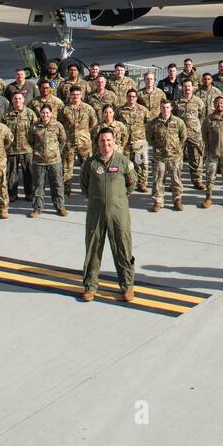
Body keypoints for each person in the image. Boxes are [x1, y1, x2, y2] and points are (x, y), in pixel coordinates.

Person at [79, 127, 137, 302]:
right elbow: (84, 186)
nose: (106, 144)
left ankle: (127, 286)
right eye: (102, 141)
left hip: (119, 213)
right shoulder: (91, 163)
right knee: (93, 248)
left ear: (114, 141)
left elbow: (131, 184)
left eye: (109, 140)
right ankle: (90, 286)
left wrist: (116, 199)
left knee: (122, 248)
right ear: (98, 143)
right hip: (95, 211)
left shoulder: (123, 162)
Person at [146, 101, 187, 211]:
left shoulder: (179, 122)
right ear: (160, 108)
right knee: (158, 180)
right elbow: (149, 138)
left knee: (176, 179)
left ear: (171, 108)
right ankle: (158, 202)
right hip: (159, 157)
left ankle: (177, 200)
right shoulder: (154, 123)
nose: (165, 110)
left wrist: (176, 148)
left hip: (175, 157)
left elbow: (183, 137)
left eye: (167, 107)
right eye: (163, 107)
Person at [28, 104, 67, 217]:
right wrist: (37, 151)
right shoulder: (35, 126)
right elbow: (30, 140)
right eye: (43, 112)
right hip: (38, 161)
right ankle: (37, 208)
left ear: (51, 113)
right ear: (40, 113)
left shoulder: (57, 125)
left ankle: (60, 207)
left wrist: (56, 151)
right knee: (38, 186)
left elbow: (63, 140)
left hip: (54, 160)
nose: (45, 115)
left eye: (47, 113)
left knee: (57, 184)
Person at [59, 87, 97, 195]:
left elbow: (93, 124)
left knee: (86, 166)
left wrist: (84, 134)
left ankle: (87, 188)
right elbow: (60, 124)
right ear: (70, 95)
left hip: (84, 142)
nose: (75, 96)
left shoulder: (88, 109)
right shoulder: (64, 109)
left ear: (81, 95)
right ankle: (67, 189)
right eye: (73, 94)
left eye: (78, 94)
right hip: (69, 142)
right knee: (67, 167)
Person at [2, 91, 35, 202]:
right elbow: (2, 131)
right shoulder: (6, 114)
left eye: (20, 98)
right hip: (11, 150)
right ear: (12, 100)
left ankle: (30, 193)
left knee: (29, 173)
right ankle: (12, 194)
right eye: (15, 99)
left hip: (27, 149)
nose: (17, 101)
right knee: (11, 174)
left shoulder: (30, 113)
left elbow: (35, 129)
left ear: (23, 100)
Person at [117, 87, 151, 192]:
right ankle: (127, 183)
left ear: (136, 98)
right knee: (126, 164)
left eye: (133, 96)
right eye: (129, 96)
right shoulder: (120, 110)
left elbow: (148, 123)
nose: (131, 98)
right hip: (125, 142)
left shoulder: (143, 110)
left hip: (139, 142)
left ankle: (142, 184)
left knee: (141, 164)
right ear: (126, 97)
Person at [174, 79, 206, 189]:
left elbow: (202, 116)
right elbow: (173, 116)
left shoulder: (198, 101)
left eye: (189, 86)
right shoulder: (177, 102)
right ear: (182, 88)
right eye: (185, 86)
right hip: (179, 135)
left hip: (195, 134)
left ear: (192, 88)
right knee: (177, 159)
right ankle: (176, 181)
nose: (187, 88)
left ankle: (197, 180)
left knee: (196, 158)